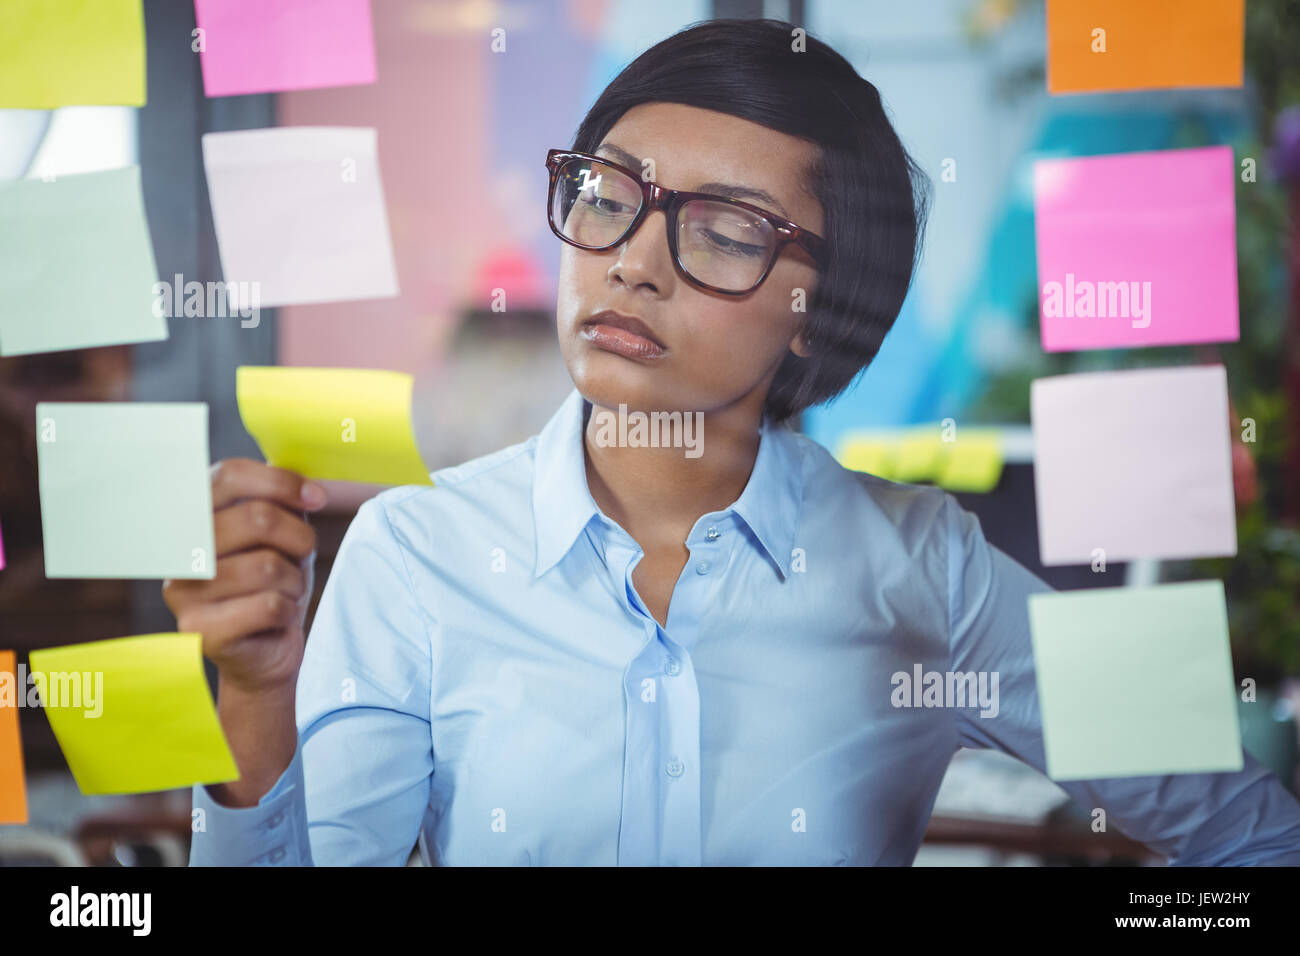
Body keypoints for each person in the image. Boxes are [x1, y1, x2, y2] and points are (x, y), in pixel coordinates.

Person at [164, 18, 1300, 866]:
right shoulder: (415, 550)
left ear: (827, 300)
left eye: (725, 231)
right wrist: (257, 695)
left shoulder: (927, 563)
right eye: (608, 194)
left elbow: (1249, 832)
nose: (633, 261)